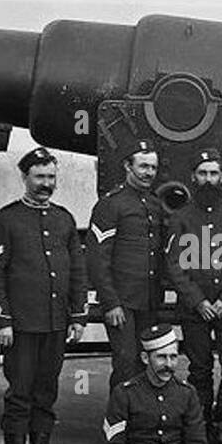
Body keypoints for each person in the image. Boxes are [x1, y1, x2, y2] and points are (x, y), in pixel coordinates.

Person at [0, 147, 86, 444]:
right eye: (39, 177)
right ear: (24, 178)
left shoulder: (64, 219)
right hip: (22, 326)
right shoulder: (5, 220)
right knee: (20, 394)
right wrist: (2, 320)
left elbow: (77, 271)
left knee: (47, 394)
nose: (46, 184)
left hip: (56, 323)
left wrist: (78, 316)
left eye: (51, 177)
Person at [164, 148, 222, 444]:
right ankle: (201, 432)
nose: (208, 179)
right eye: (202, 173)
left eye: (213, 173)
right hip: (195, 309)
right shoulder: (180, 217)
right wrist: (198, 301)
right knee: (199, 371)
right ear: (193, 177)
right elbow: (174, 265)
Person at [87, 139, 166, 389]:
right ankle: (118, 421)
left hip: (148, 299)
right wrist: (110, 303)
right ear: (127, 166)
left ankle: (141, 420)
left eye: (152, 168)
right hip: (122, 302)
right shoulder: (111, 204)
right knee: (125, 361)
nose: (148, 173)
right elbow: (97, 259)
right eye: (143, 166)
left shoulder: (154, 204)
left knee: (147, 360)